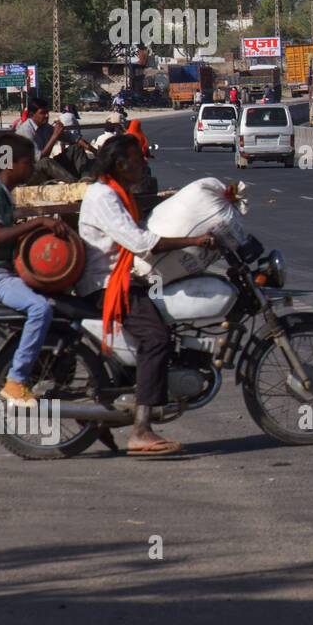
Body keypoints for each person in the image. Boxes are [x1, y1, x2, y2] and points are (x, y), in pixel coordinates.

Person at [76, 135, 215, 455]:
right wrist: (191, 242)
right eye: (138, 159)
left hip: (120, 278)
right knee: (156, 339)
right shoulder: (104, 197)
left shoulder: (117, 193)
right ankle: (141, 430)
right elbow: (139, 242)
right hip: (107, 284)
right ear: (120, 165)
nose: (143, 164)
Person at [0, 134, 72, 408]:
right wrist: (39, 222)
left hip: (4, 271)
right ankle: (16, 380)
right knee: (40, 309)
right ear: (10, 163)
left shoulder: (3, 193)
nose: (32, 168)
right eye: (28, 162)